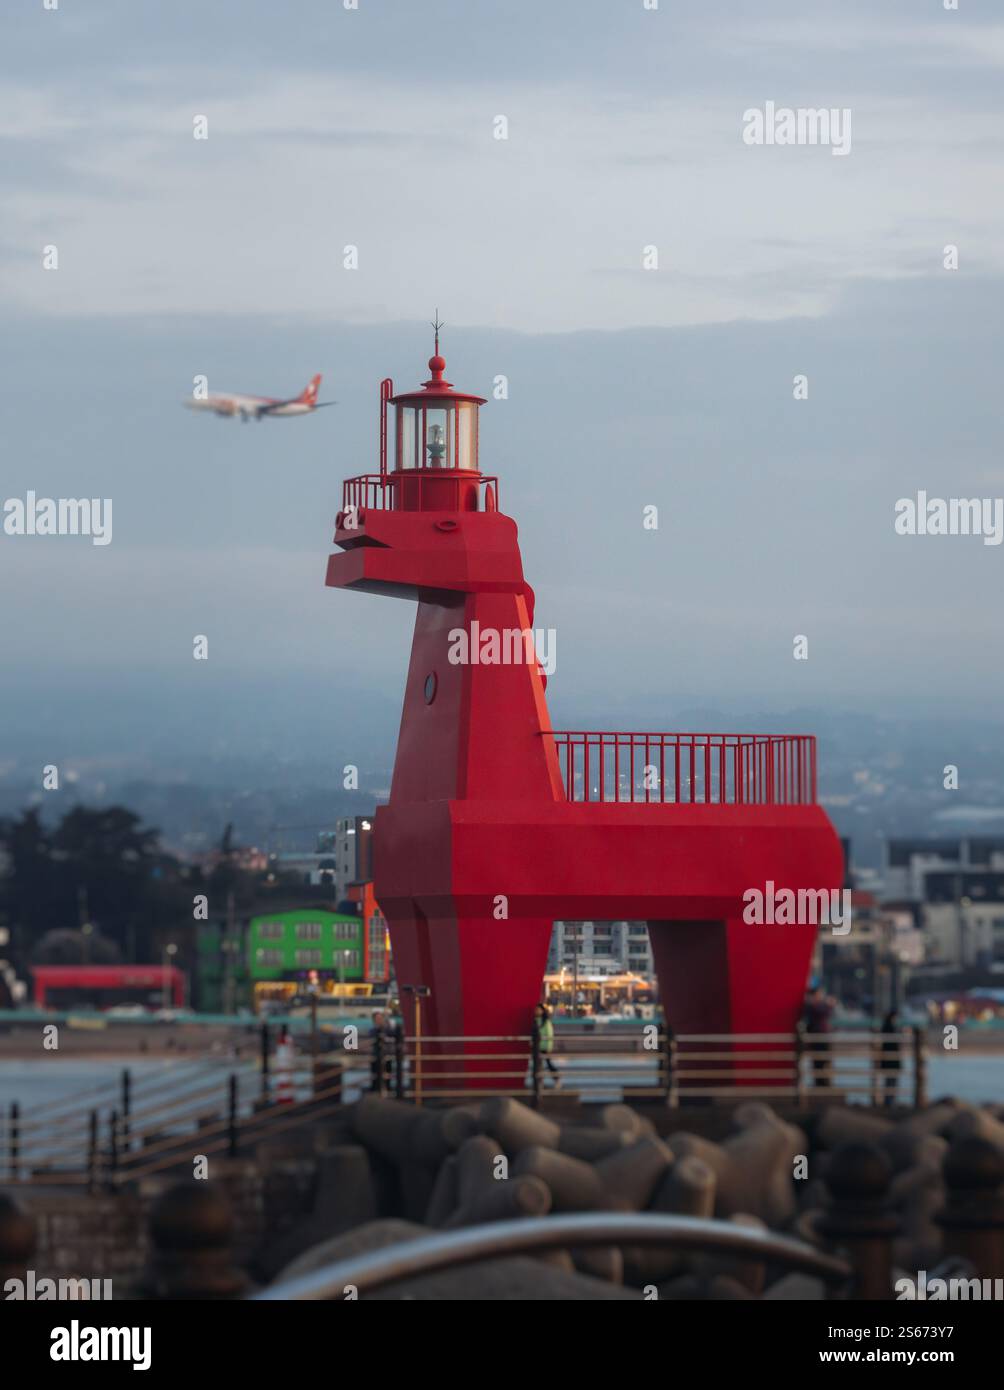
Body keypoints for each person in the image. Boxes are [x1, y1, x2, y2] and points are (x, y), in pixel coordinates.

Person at [803, 984, 835, 1089]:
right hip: (817, 1038)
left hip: (823, 1038)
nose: (821, 996)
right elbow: (823, 1012)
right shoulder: (812, 1005)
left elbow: (827, 1013)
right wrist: (829, 1004)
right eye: (819, 994)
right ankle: (820, 1083)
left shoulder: (817, 1005)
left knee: (825, 1061)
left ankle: (824, 1083)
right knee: (818, 1062)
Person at [879, 1008, 902, 1108]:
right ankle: (889, 1101)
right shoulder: (891, 1028)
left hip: (887, 1059)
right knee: (891, 1080)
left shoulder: (885, 1027)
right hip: (892, 1059)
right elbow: (895, 1043)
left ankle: (888, 1100)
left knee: (889, 1080)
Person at [534, 1003, 560, 1089]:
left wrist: (549, 1047)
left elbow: (549, 1035)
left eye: (538, 1009)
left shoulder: (546, 1021)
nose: (537, 1011)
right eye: (536, 1009)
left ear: (542, 1011)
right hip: (537, 1047)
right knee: (538, 1065)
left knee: (548, 1064)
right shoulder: (535, 1020)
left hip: (544, 1047)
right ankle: (540, 1083)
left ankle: (557, 1079)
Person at [370, 1010, 394, 1095]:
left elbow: (392, 1034)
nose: (379, 1020)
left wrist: (386, 1024)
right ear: (374, 1020)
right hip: (376, 1056)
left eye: (380, 1018)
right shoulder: (373, 1030)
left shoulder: (387, 1028)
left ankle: (388, 1090)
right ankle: (375, 1091)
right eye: (377, 1018)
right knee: (375, 1075)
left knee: (387, 1074)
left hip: (386, 1055)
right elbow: (373, 1036)